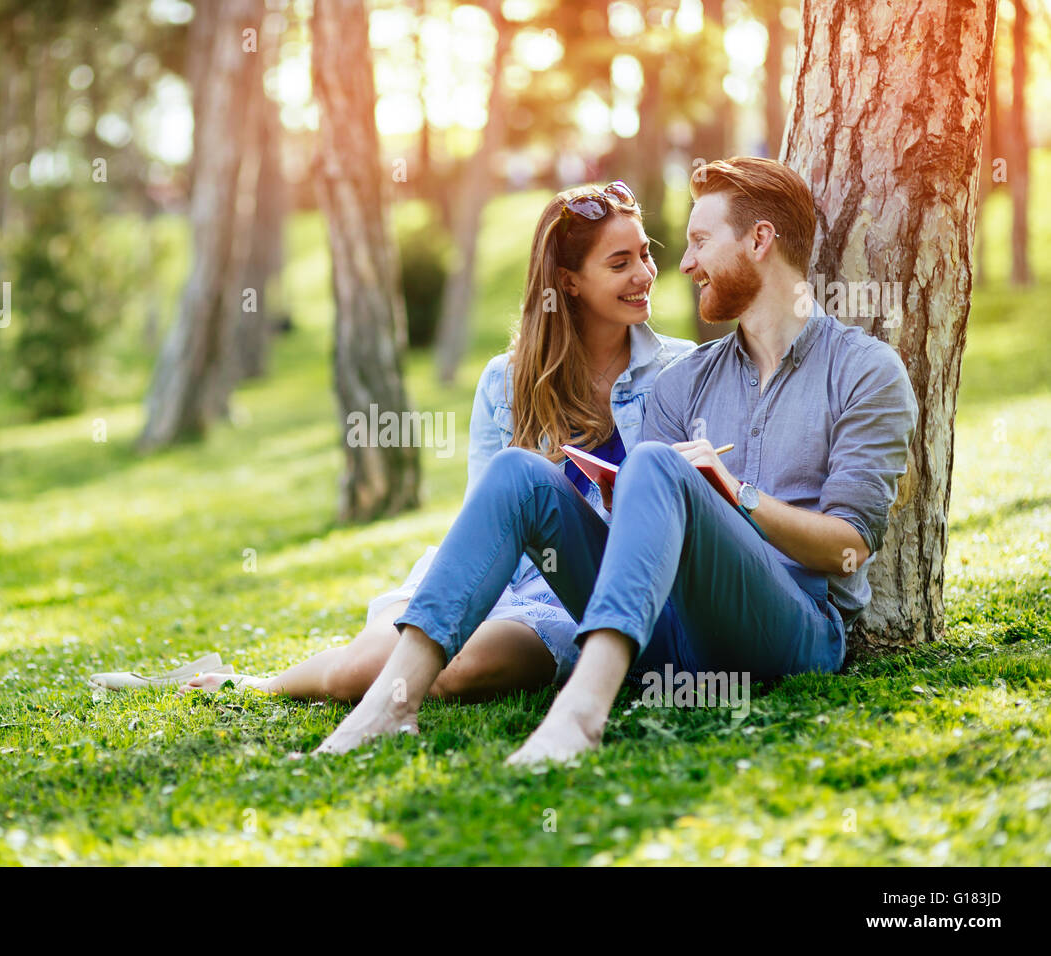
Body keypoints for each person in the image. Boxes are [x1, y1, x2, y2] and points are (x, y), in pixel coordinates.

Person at [313, 157, 919, 764]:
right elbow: (643, 528)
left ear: (760, 240)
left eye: (700, 241)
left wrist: (736, 495)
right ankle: (390, 707)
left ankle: (580, 715)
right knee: (518, 473)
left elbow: (851, 545)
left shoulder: (865, 373)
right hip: (669, 639)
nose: (681, 265)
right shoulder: (684, 382)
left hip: (792, 633)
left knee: (657, 463)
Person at [180, 180, 693, 703]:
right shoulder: (507, 380)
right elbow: (485, 516)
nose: (644, 274)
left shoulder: (680, 371)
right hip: (494, 575)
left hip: (569, 600)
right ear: (569, 281)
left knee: (456, 672)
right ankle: (251, 683)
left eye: (645, 253)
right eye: (619, 262)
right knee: (355, 672)